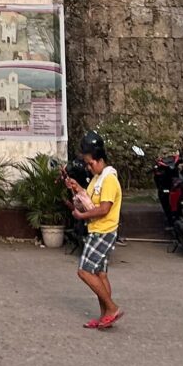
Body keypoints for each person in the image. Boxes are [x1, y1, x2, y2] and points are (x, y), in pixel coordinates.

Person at [64, 134, 122, 329]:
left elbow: (104, 208)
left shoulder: (109, 179)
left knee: (84, 271)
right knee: (100, 274)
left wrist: (82, 217)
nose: (88, 167)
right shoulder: (98, 178)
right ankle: (106, 316)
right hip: (98, 230)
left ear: (98, 160)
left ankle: (112, 308)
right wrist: (77, 188)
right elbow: (89, 201)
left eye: (90, 164)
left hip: (103, 231)